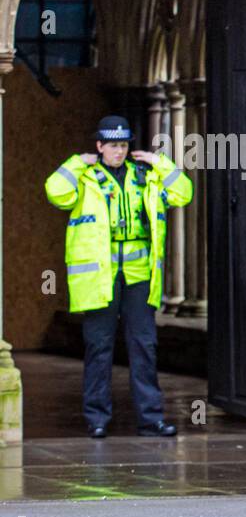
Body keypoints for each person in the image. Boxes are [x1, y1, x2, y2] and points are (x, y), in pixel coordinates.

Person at [44, 115, 193, 438]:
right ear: (99, 146)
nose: (119, 152)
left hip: (139, 276)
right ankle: (97, 418)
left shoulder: (146, 177)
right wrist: (75, 162)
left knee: (144, 346)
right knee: (99, 346)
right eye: (112, 145)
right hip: (100, 278)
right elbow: (55, 192)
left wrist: (159, 161)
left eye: (123, 145)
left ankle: (150, 418)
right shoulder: (86, 178)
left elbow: (183, 192)